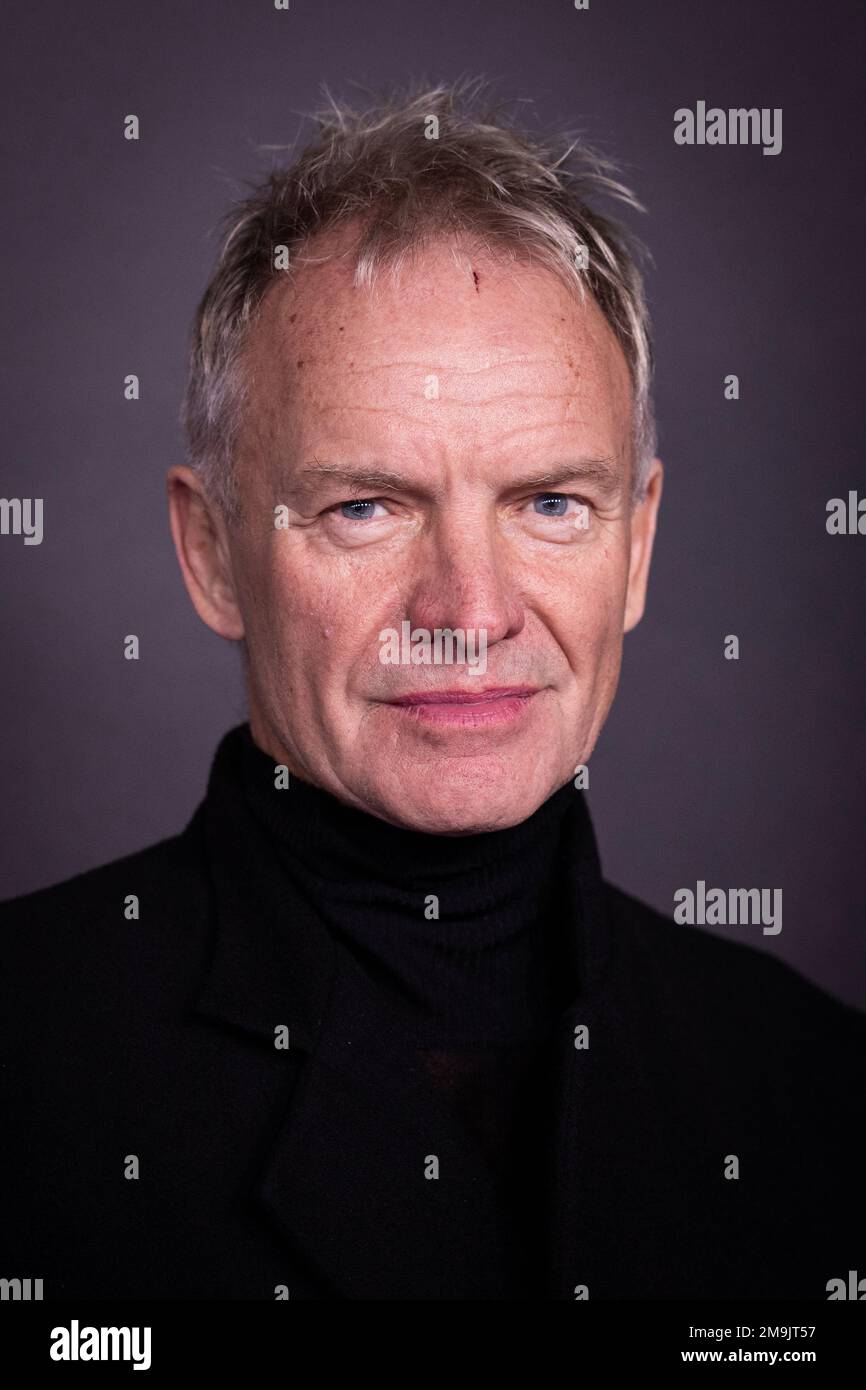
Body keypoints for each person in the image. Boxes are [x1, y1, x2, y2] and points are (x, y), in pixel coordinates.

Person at [1, 81, 862, 1301]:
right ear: (210, 554)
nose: (469, 610)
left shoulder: (816, 1087)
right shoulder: (28, 1061)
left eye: (550, 504)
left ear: (638, 546)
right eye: (366, 507)